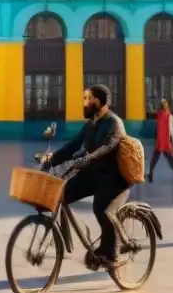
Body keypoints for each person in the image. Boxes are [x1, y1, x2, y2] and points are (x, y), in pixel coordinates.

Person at [42, 84, 130, 268]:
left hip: (114, 177)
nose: (85, 103)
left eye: (89, 99)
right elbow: (73, 145)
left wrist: (89, 157)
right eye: (85, 99)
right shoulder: (91, 124)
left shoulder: (114, 122)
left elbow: (109, 146)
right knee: (61, 193)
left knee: (101, 209)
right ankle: (68, 241)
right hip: (93, 174)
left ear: (100, 101)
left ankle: (112, 253)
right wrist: (51, 161)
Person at [147, 99, 173, 186]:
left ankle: (150, 174)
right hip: (166, 144)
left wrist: (155, 141)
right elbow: (171, 132)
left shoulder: (159, 116)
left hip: (160, 143)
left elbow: (157, 130)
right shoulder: (169, 116)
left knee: (154, 160)